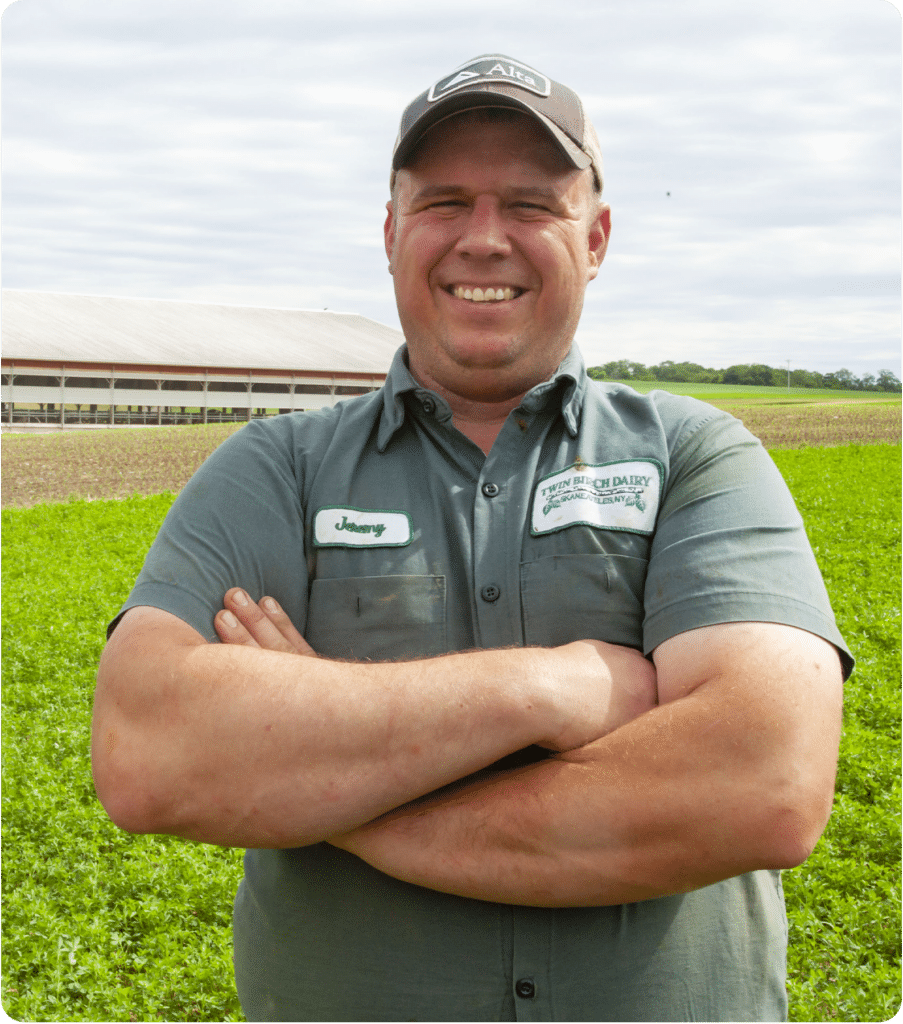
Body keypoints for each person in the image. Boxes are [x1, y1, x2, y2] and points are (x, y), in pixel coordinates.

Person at [92, 54, 851, 1023]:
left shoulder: (695, 455)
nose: (483, 239)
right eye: (445, 200)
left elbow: (765, 778)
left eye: (531, 204)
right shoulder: (274, 470)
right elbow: (146, 745)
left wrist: (334, 794)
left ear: (598, 236)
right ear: (391, 233)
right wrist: (562, 684)